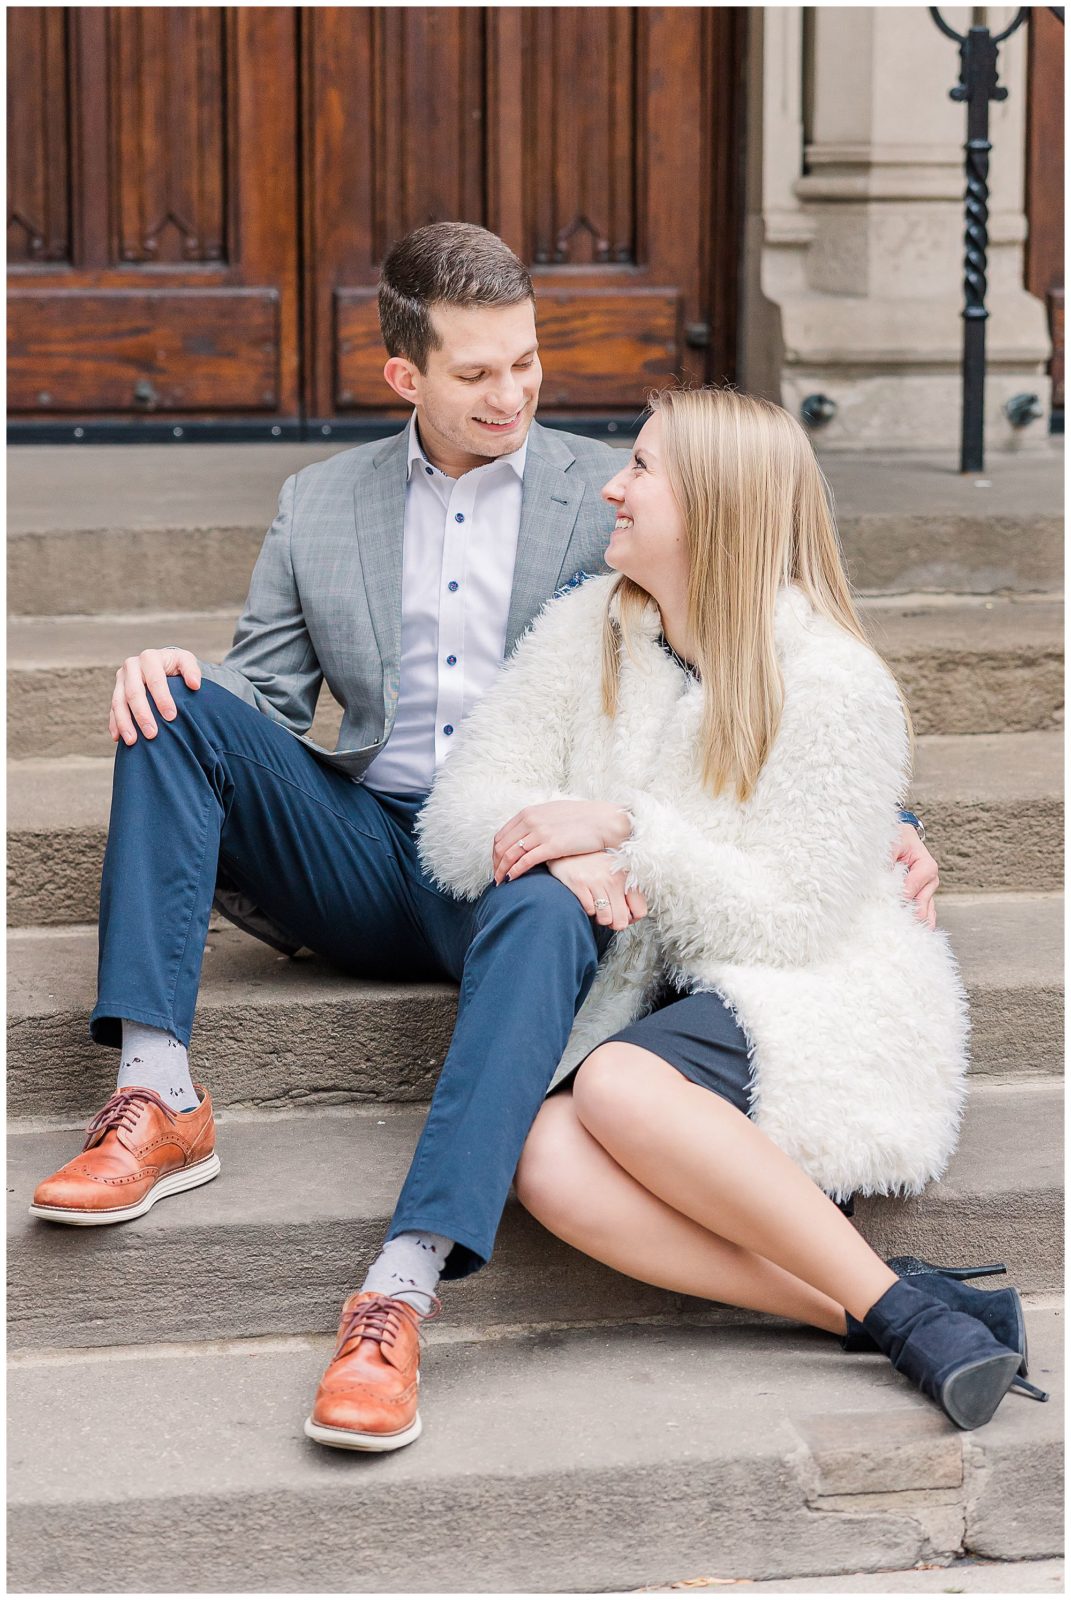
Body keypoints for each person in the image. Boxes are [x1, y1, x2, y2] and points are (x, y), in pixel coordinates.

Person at [27, 224, 939, 1451]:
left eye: (526, 363)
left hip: (534, 868)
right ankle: (155, 1094)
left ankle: (400, 1288)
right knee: (171, 703)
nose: (510, 394)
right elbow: (270, 698)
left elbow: (763, 638)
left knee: (555, 892)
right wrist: (180, 676)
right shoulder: (320, 502)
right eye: (475, 373)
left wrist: (888, 814)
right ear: (406, 376)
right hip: (368, 843)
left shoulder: (610, 493)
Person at [410, 385, 1047, 1440]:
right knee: (545, 1156)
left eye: (644, 469)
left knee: (613, 1079)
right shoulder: (593, 627)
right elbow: (459, 815)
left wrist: (624, 831)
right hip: (674, 988)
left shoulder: (833, 682)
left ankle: (904, 1319)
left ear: (716, 506)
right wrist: (553, 838)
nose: (613, 485)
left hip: (818, 991)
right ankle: (884, 1308)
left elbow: (792, 919)